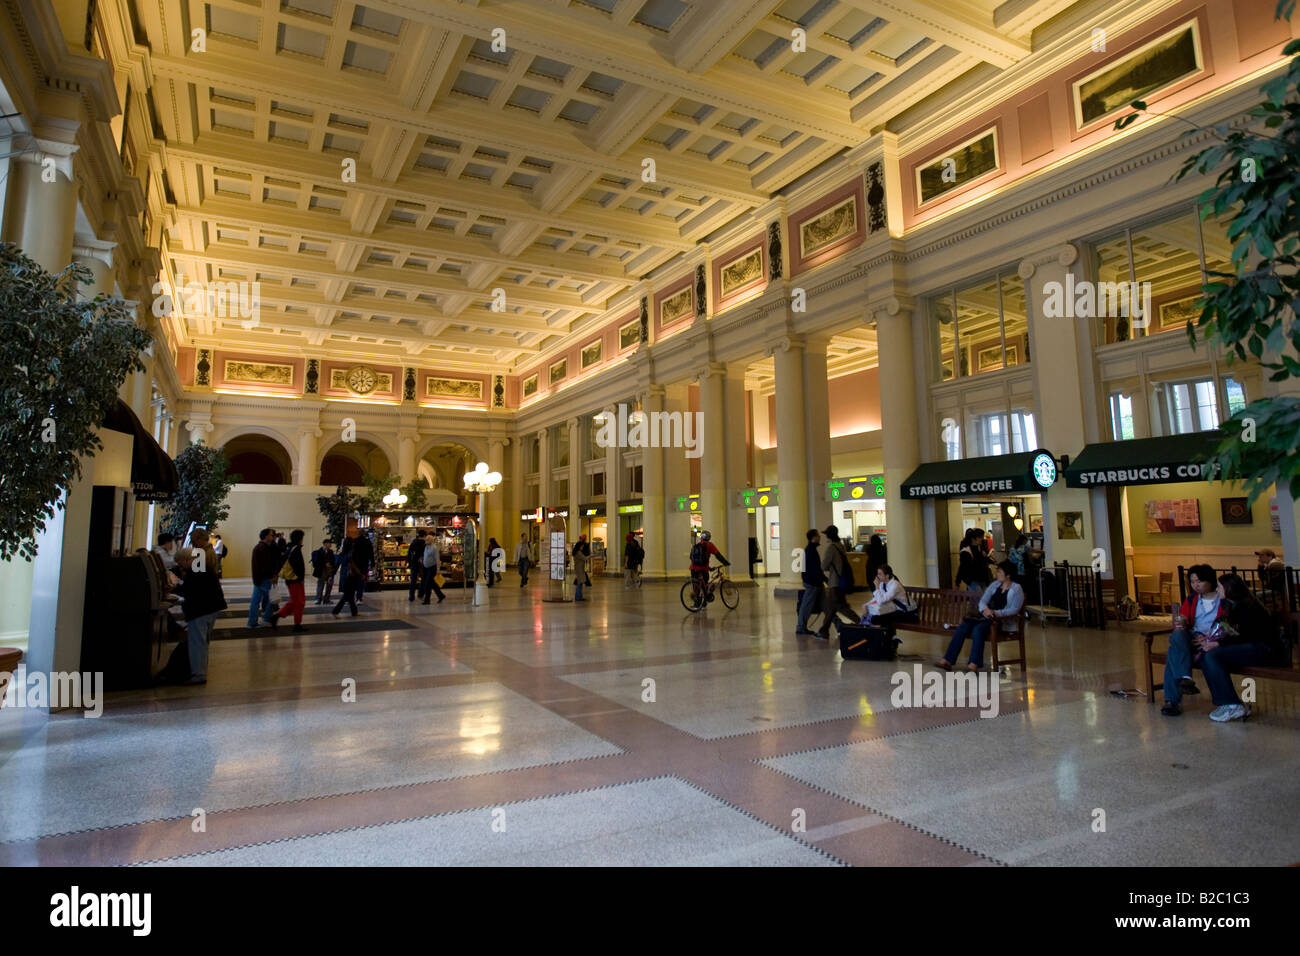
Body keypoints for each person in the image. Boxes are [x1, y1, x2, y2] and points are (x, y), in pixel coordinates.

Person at [1185, 573, 1283, 722]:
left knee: (1212, 655)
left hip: (1264, 649)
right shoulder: (1232, 604)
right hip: (1250, 647)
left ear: (1229, 588)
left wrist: (1217, 644)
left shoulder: (1248, 606)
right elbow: (1228, 629)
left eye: (1219, 587)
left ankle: (1231, 704)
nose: (1217, 590)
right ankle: (1227, 702)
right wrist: (1210, 638)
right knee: (1206, 655)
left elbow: (1245, 635)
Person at [938, 560, 1024, 671]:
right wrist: (985, 609)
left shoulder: (1016, 589)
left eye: (1000, 572)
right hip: (984, 616)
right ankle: (948, 660)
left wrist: (995, 613)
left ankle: (974, 664)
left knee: (978, 630)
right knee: (963, 627)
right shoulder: (995, 585)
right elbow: (983, 600)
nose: (997, 574)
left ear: (1008, 575)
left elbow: (1014, 609)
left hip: (999, 621)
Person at [172, 538, 226, 685]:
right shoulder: (201, 565)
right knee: (203, 642)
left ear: (185, 560)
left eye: (180, 563)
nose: (181, 567)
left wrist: (174, 587)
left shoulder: (196, 569)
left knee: (197, 642)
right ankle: (201, 670)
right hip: (211, 607)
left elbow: (191, 590)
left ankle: (198, 674)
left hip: (201, 610)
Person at [816, 525, 857, 640]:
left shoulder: (831, 548)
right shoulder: (841, 546)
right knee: (831, 608)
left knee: (841, 607)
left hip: (835, 582)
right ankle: (823, 631)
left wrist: (829, 568)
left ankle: (863, 623)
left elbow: (824, 566)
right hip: (841, 581)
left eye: (826, 534)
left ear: (829, 535)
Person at [273, 529, 308, 631]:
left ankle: (277, 616)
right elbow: (297, 565)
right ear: (299, 538)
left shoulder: (290, 547)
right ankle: (296, 624)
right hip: (295, 579)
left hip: (291, 579)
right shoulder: (295, 549)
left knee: (295, 601)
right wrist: (301, 578)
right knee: (299, 602)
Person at [247, 528, 280, 629]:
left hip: (259, 578)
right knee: (272, 600)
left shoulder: (260, 547)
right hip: (264, 579)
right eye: (271, 535)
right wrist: (272, 576)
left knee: (256, 601)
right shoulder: (263, 548)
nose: (273, 536)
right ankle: (265, 619)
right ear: (266, 536)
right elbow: (265, 566)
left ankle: (252, 622)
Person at [864, 565, 913, 631]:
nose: (877, 576)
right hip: (892, 609)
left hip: (904, 612)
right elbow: (876, 598)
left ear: (887, 575)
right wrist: (866, 605)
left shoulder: (895, 585)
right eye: (877, 574)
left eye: (880, 574)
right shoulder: (882, 584)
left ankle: (887, 638)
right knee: (875, 617)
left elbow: (881, 601)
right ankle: (888, 637)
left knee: (879, 618)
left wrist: (877, 587)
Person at [796, 528, 825, 636]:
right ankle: (800, 627)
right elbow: (815, 569)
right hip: (813, 583)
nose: (820, 537)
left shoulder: (809, 549)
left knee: (827, 607)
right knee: (806, 606)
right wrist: (823, 579)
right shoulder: (810, 550)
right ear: (814, 537)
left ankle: (838, 625)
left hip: (814, 582)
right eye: (818, 535)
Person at [689, 530, 729, 609]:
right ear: (709, 537)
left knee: (696, 586)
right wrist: (725, 562)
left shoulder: (696, 545)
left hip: (693, 568)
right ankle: (703, 603)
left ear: (701, 537)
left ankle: (697, 604)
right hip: (703, 569)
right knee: (705, 585)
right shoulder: (709, 545)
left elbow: (691, 557)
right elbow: (718, 555)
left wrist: (708, 567)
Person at [955, 528, 991, 593]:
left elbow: (984, 562)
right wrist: (958, 582)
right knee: (979, 598)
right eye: (980, 537)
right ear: (974, 539)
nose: (982, 539)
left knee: (981, 599)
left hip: (982, 578)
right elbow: (962, 566)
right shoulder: (966, 551)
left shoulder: (980, 548)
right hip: (972, 579)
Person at [421, 532, 446, 604]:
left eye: (427, 540)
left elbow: (437, 559)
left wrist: (438, 569)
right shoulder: (426, 547)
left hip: (432, 568)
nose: (425, 541)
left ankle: (427, 600)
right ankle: (441, 595)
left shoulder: (434, 548)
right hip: (426, 568)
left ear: (431, 540)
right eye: (426, 539)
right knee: (433, 584)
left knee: (427, 584)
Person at [351, 532, 374, 603]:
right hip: (364, 563)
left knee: (354, 580)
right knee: (361, 580)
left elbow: (352, 552)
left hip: (355, 564)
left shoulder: (354, 541)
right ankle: (359, 598)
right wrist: (372, 563)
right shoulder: (367, 542)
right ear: (364, 534)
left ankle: (351, 597)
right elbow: (371, 553)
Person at [311, 539, 336, 604]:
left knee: (329, 586)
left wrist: (331, 566)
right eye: (329, 543)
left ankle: (327, 599)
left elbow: (333, 561)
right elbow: (317, 562)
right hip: (322, 571)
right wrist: (325, 564)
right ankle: (318, 599)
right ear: (325, 544)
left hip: (329, 571)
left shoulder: (330, 552)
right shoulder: (319, 552)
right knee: (320, 585)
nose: (330, 545)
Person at [407, 531, 427, 602]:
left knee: (413, 581)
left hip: (413, 564)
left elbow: (409, 553)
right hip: (422, 564)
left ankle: (411, 596)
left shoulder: (413, 543)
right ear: (424, 536)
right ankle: (420, 593)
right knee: (423, 579)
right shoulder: (424, 544)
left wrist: (409, 563)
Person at [572, 535, 592, 602]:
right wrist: (591, 556)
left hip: (579, 568)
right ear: (579, 546)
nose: (583, 547)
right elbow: (585, 558)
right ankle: (578, 597)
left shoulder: (576, 552)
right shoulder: (578, 553)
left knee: (580, 583)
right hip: (579, 569)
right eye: (582, 546)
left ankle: (579, 597)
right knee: (579, 583)